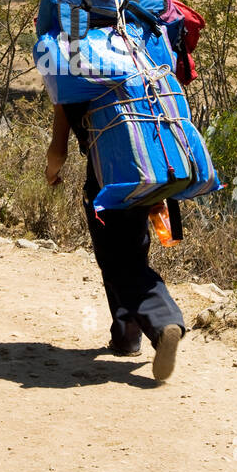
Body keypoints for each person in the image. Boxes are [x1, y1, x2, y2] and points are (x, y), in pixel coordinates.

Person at [46, 101, 185, 382]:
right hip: (153, 170)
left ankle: (163, 320)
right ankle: (126, 337)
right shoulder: (133, 76)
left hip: (107, 178)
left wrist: (51, 173)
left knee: (114, 259)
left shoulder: (73, 85)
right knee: (131, 250)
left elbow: (58, 151)